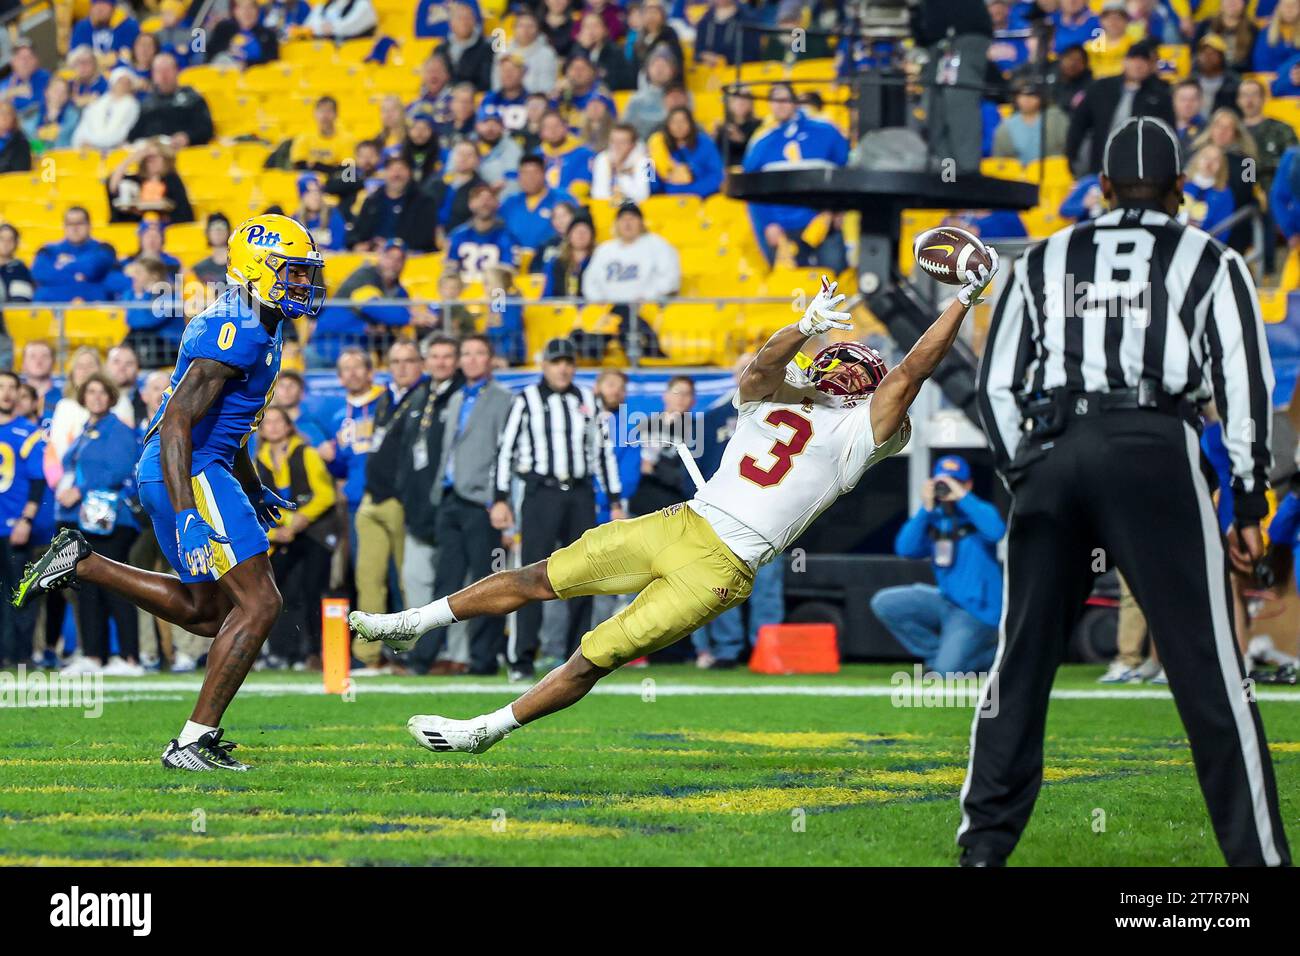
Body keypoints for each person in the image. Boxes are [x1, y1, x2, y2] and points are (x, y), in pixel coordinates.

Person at [352, 261, 999, 752]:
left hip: (720, 560)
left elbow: (903, 373)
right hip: (687, 522)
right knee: (541, 579)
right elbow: (779, 368)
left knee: (594, 651)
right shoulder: (790, 404)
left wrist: (953, 303)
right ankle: (414, 621)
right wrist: (807, 326)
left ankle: (484, 730)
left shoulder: (854, 434)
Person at [968, 116, 1289, 868]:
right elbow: (1246, 389)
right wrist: (1248, 504)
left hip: (1054, 443)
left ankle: (982, 851)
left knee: (1019, 667)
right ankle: (1261, 862)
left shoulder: (1043, 258)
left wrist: (1029, 472)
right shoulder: (1209, 256)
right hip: (1153, 444)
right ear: (1181, 192)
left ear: (1101, 190)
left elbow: (995, 385)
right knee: (1211, 673)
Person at [14, 213, 325, 772]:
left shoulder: (262, 320)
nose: (304, 284)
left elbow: (224, 425)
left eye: (306, 274)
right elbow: (180, 421)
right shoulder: (239, 327)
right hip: (188, 471)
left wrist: (253, 488)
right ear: (257, 271)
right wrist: (188, 513)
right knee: (261, 602)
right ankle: (192, 743)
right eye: (294, 273)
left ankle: (86, 565)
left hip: (192, 468)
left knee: (209, 613)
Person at [485, 336, 623, 681]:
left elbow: (602, 450)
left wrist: (616, 500)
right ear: (544, 365)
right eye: (556, 361)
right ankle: (521, 658)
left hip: (580, 493)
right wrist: (500, 497)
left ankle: (577, 657)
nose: (563, 368)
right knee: (530, 574)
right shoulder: (526, 400)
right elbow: (506, 450)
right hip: (541, 492)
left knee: (586, 574)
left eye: (568, 362)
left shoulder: (588, 398)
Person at [407, 333, 513, 675]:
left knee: (488, 583)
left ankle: (483, 661)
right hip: (450, 499)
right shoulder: (454, 399)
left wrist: (501, 500)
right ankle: (423, 659)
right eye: (466, 353)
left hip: (482, 502)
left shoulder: (504, 399)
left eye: (479, 353)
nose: (470, 359)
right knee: (444, 582)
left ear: (490, 359)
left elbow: (506, 453)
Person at [869, 455, 1003, 676]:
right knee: (885, 602)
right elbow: (906, 549)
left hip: (977, 611)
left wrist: (962, 497)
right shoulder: (935, 518)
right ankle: (938, 656)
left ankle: (998, 655)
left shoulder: (979, 512)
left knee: (946, 673)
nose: (948, 488)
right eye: (943, 482)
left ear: (968, 485)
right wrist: (926, 509)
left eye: (955, 482)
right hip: (945, 600)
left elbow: (996, 531)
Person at [56, 372, 143, 676]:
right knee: (87, 588)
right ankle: (94, 655)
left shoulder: (117, 429)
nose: (95, 397)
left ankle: (130, 657)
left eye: (101, 392)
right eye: (90, 392)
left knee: (115, 586)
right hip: (86, 519)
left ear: (110, 397)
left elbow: (119, 469)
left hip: (113, 519)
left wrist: (78, 490)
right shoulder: (86, 430)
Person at [350, 339, 427, 668]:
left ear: (419, 364)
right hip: (372, 499)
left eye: (409, 361)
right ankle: (369, 656)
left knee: (408, 581)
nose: (402, 367)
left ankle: (416, 653)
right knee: (368, 580)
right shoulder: (384, 400)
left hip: (402, 502)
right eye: (396, 361)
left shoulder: (425, 398)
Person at [395, 334, 463, 672]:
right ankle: (422, 653)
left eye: (447, 356)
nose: (440, 362)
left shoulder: (463, 397)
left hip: (451, 506)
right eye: (434, 356)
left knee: (456, 586)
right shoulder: (421, 397)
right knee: (417, 581)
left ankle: (456, 656)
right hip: (418, 508)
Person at [255, 406, 338, 669]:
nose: (274, 426)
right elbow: (255, 504)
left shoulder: (307, 453)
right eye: (269, 422)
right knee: (276, 591)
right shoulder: (257, 462)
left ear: (290, 426)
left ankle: (315, 652)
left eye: (280, 421)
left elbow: (325, 495)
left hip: (315, 532)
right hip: (281, 537)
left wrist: (300, 520)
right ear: (262, 429)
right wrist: (276, 530)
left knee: (313, 590)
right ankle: (282, 652)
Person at [1065, 40, 1174, 176]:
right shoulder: (1101, 88)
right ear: (1124, 62)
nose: (1138, 65)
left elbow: (1168, 132)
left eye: (1143, 61)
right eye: (1134, 59)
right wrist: (1071, 156)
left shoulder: (1160, 95)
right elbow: (1078, 124)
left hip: (1142, 169)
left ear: (1150, 66)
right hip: (1101, 164)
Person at [0, 372, 46, 669]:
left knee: (19, 592)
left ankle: (21, 656)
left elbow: (38, 482)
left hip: (14, 525)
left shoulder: (29, 433)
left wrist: (26, 520)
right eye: (0, 387)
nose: (5, 393)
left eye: (10, 388)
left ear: (19, 393)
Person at [350, 154, 438, 252]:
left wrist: (391, 245)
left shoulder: (424, 202)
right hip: (372, 254)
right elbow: (356, 232)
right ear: (384, 173)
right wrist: (359, 244)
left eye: (401, 170)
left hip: (410, 258)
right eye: (392, 170)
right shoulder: (372, 201)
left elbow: (425, 238)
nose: (396, 175)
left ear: (410, 173)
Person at [31, 207, 120, 303]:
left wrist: (65, 266)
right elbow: (40, 273)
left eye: (79, 223)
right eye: (70, 224)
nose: (75, 228)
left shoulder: (104, 249)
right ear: (64, 226)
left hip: (95, 309)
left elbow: (92, 269)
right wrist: (78, 276)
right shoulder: (48, 250)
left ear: (89, 225)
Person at [128, 52, 213, 147]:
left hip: (186, 152)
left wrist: (188, 137)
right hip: (152, 154)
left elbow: (207, 129)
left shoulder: (192, 98)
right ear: (153, 75)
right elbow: (133, 137)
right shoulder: (147, 104)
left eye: (167, 70)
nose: (164, 76)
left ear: (177, 71)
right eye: (159, 71)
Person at [500, 155, 576, 256]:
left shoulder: (562, 198)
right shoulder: (510, 202)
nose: (529, 178)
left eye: (534, 173)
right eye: (524, 173)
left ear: (544, 174)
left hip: (551, 259)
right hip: (514, 260)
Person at [647, 107, 722, 197]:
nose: (678, 126)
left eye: (683, 121)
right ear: (667, 125)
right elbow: (652, 183)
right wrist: (650, 167)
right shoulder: (659, 145)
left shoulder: (705, 143)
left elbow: (716, 176)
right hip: (668, 200)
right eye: (674, 122)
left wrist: (689, 192)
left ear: (691, 123)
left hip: (701, 198)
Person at [992, 79, 1068, 165]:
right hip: (1018, 176)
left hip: (1054, 173)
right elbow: (1000, 162)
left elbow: (1068, 148)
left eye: (1032, 95)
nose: (1027, 100)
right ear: (1016, 97)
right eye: (1022, 95)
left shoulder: (1056, 118)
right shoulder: (1005, 127)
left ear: (1041, 97)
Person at [72, 66, 139, 150]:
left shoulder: (132, 105)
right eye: (120, 82)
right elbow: (84, 125)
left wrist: (95, 143)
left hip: (114, 150)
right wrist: (82, 141)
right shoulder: (98, 103)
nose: (122, 85)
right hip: (89, 148)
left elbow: (121, 133)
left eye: (126, 83)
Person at [208, 0, 280, 68]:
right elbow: (211, 54)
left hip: (256, 77)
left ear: (257, 11)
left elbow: (272, 62)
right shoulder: (223, 29)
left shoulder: (268, 34)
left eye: (251, 7)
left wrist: (247, 65)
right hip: (226, 75)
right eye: (242, 7)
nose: (247, 12)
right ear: (234, 11)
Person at [440, 1, 493, 91]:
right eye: (460, 18)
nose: (464, 22)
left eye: (468, 18)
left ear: (474, 22)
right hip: (443, 100)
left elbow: (485, 83)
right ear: (451, 23)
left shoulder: (486, 49)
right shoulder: (440, 49)